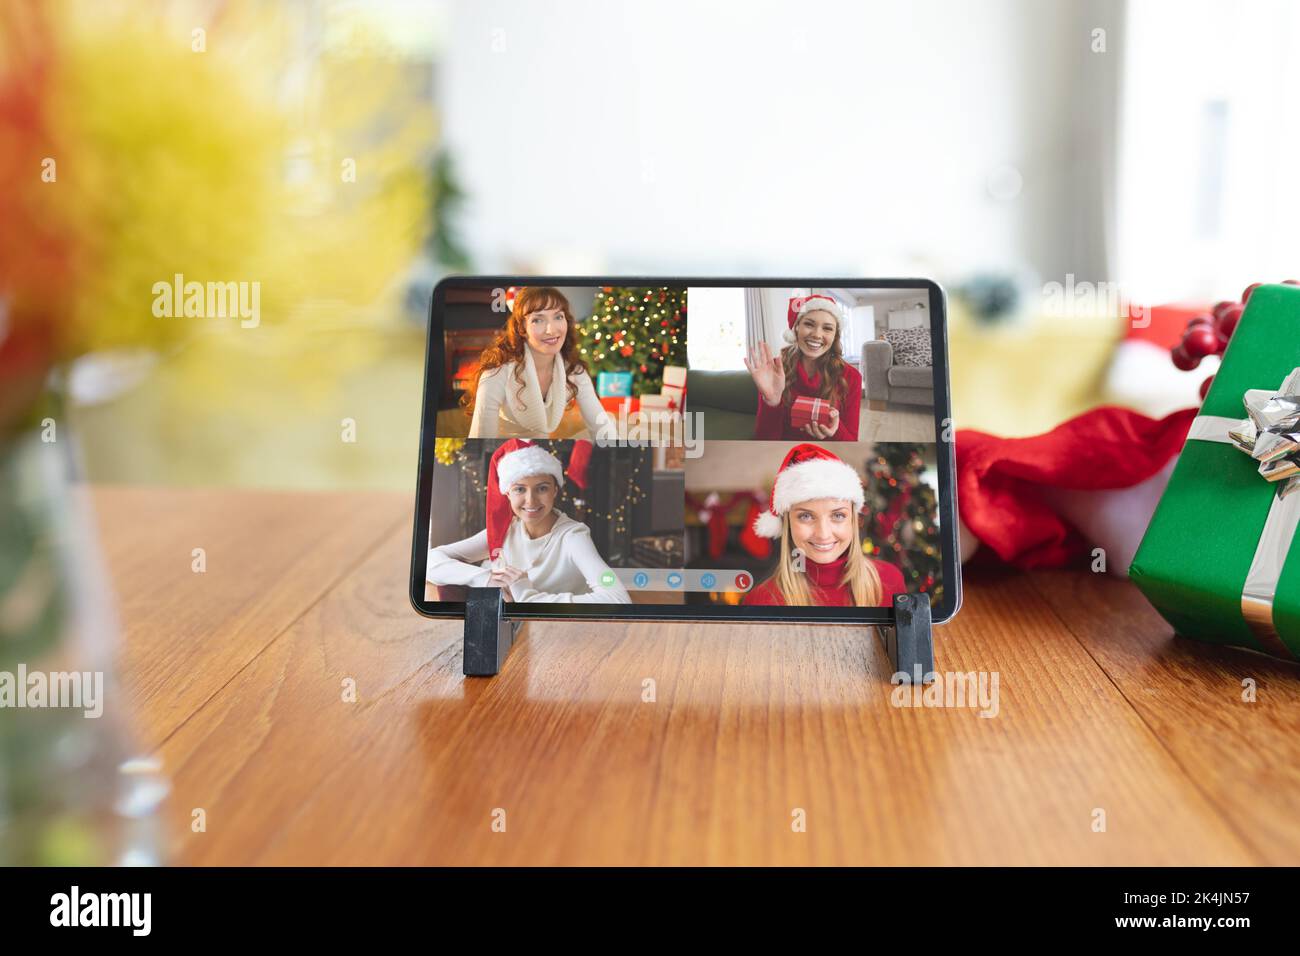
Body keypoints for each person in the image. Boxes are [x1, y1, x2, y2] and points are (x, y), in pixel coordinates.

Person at [427, 439, 630, 603]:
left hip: (561, 636)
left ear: (555, 490)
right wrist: (487, 579)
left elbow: (618, 597)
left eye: (542, 488)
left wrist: (526, 595)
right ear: (507, 493)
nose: (531, 500)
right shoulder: (504, 531)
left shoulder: (573, 536)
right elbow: (430, 562)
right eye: (519, 489)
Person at [741, 442, 904, 607]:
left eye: (838, 515)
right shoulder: (761, 600)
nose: (823, 534)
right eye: (806, 516)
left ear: (853, 520)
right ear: (787, 523)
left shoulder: (889, 581)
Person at [463, 286, 612, 439]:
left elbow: (602, 426)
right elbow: (480, 439)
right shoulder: (497, 373)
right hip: (505, 454)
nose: (551, 330)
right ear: (521, 328)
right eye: (537, 320)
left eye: (558, 317)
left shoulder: (574, 370)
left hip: (541, 450)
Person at [744, 294, 862, 441]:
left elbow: (851, 442)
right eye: (809, 324)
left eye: (827, 328)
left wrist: (835, 430)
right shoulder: (774, 370)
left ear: (835, 336)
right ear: (796, 328)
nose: (817, 335)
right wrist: (772, 403)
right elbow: (764, 440)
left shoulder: (851, 377)